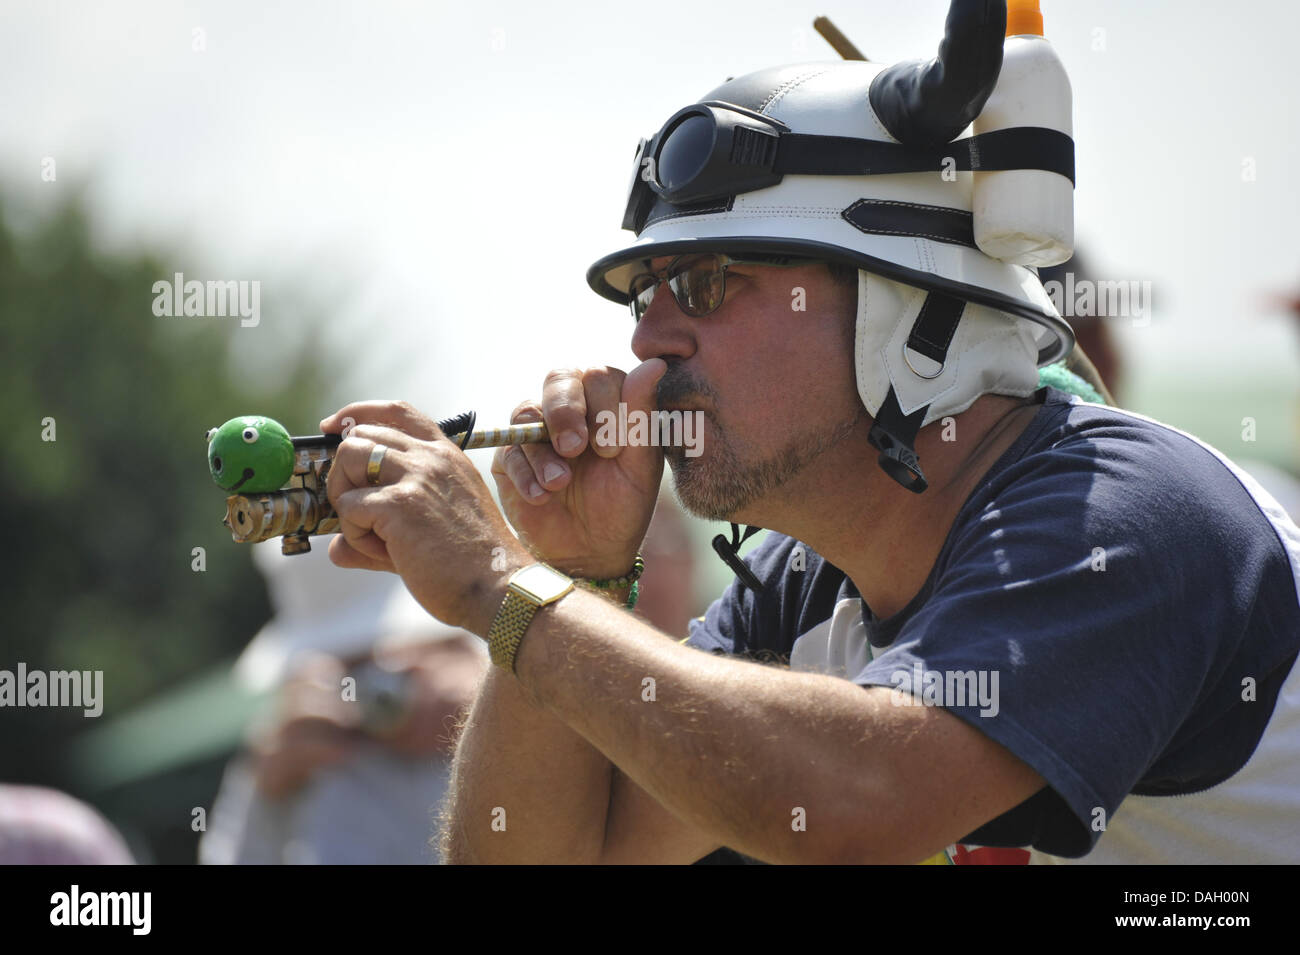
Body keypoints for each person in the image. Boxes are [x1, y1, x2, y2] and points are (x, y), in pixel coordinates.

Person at [318, 0, 1300, 864]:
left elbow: (855, 803)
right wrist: (572, 570)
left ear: (907, 310)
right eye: (646, 297)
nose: (648, 339)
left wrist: (498, 584)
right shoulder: (805, 582)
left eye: (706, 284)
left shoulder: (1121, 511)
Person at [200, 540, 486, 865]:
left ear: (449, 643)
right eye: (345, 670)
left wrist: (494, 714)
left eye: (381, 667)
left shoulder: (503, 699)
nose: (365, 695)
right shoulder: (290, 747)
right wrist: (265, 796)